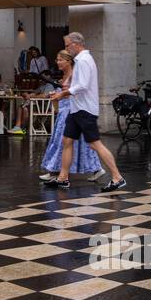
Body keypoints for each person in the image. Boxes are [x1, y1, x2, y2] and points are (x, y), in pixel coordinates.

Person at [50, 32, 126, 192]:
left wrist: (63, 93)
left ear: (76, 44)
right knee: (67, 141)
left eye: (67, 45)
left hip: (85, 110)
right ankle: (63, 178)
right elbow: (80, 84)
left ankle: (117, 177)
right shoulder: (81, 60)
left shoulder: (84, 61)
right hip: (76, 108)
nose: (66, 49)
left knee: (95, 144)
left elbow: (83, 85)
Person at [39, 51, 104, 184]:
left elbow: (78, 92)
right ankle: (56, 170)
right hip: (64, 110)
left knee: (65, 141)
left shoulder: (75, 74)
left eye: (60, 60)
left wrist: (61, 94)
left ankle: (56, 172)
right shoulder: (65, 75)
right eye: (57, 60)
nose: (57, 62)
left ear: (68, 61)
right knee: (70, 142)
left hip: (71, 110)